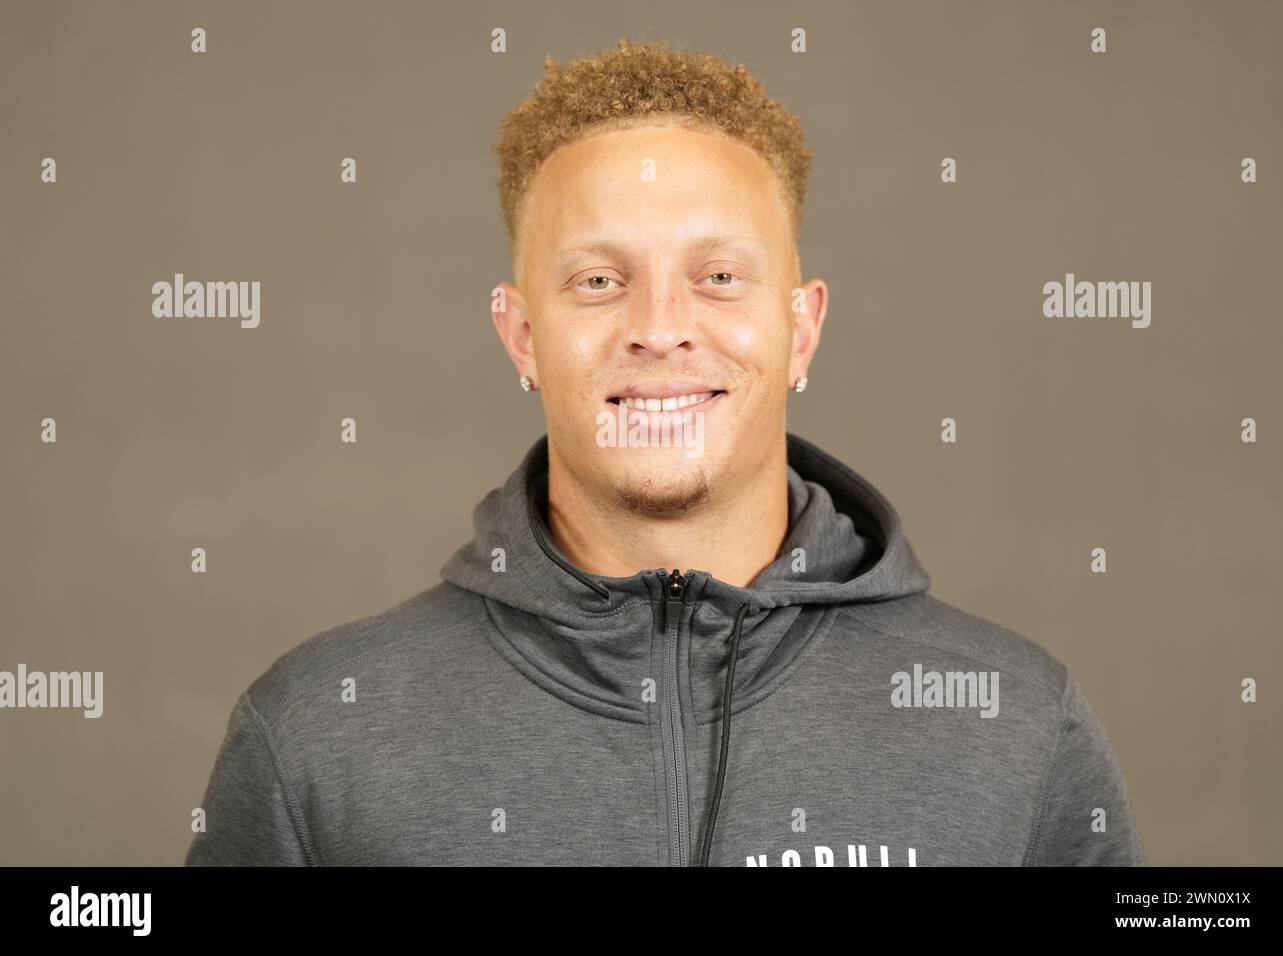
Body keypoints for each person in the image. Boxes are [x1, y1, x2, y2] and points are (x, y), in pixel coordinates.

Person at [186, 38, 1142, 866]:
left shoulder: (1014, 724)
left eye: (718, 276)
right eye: (599, 280)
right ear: (521, 336)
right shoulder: (317, 736)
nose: (660, 328)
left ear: (801, 329)